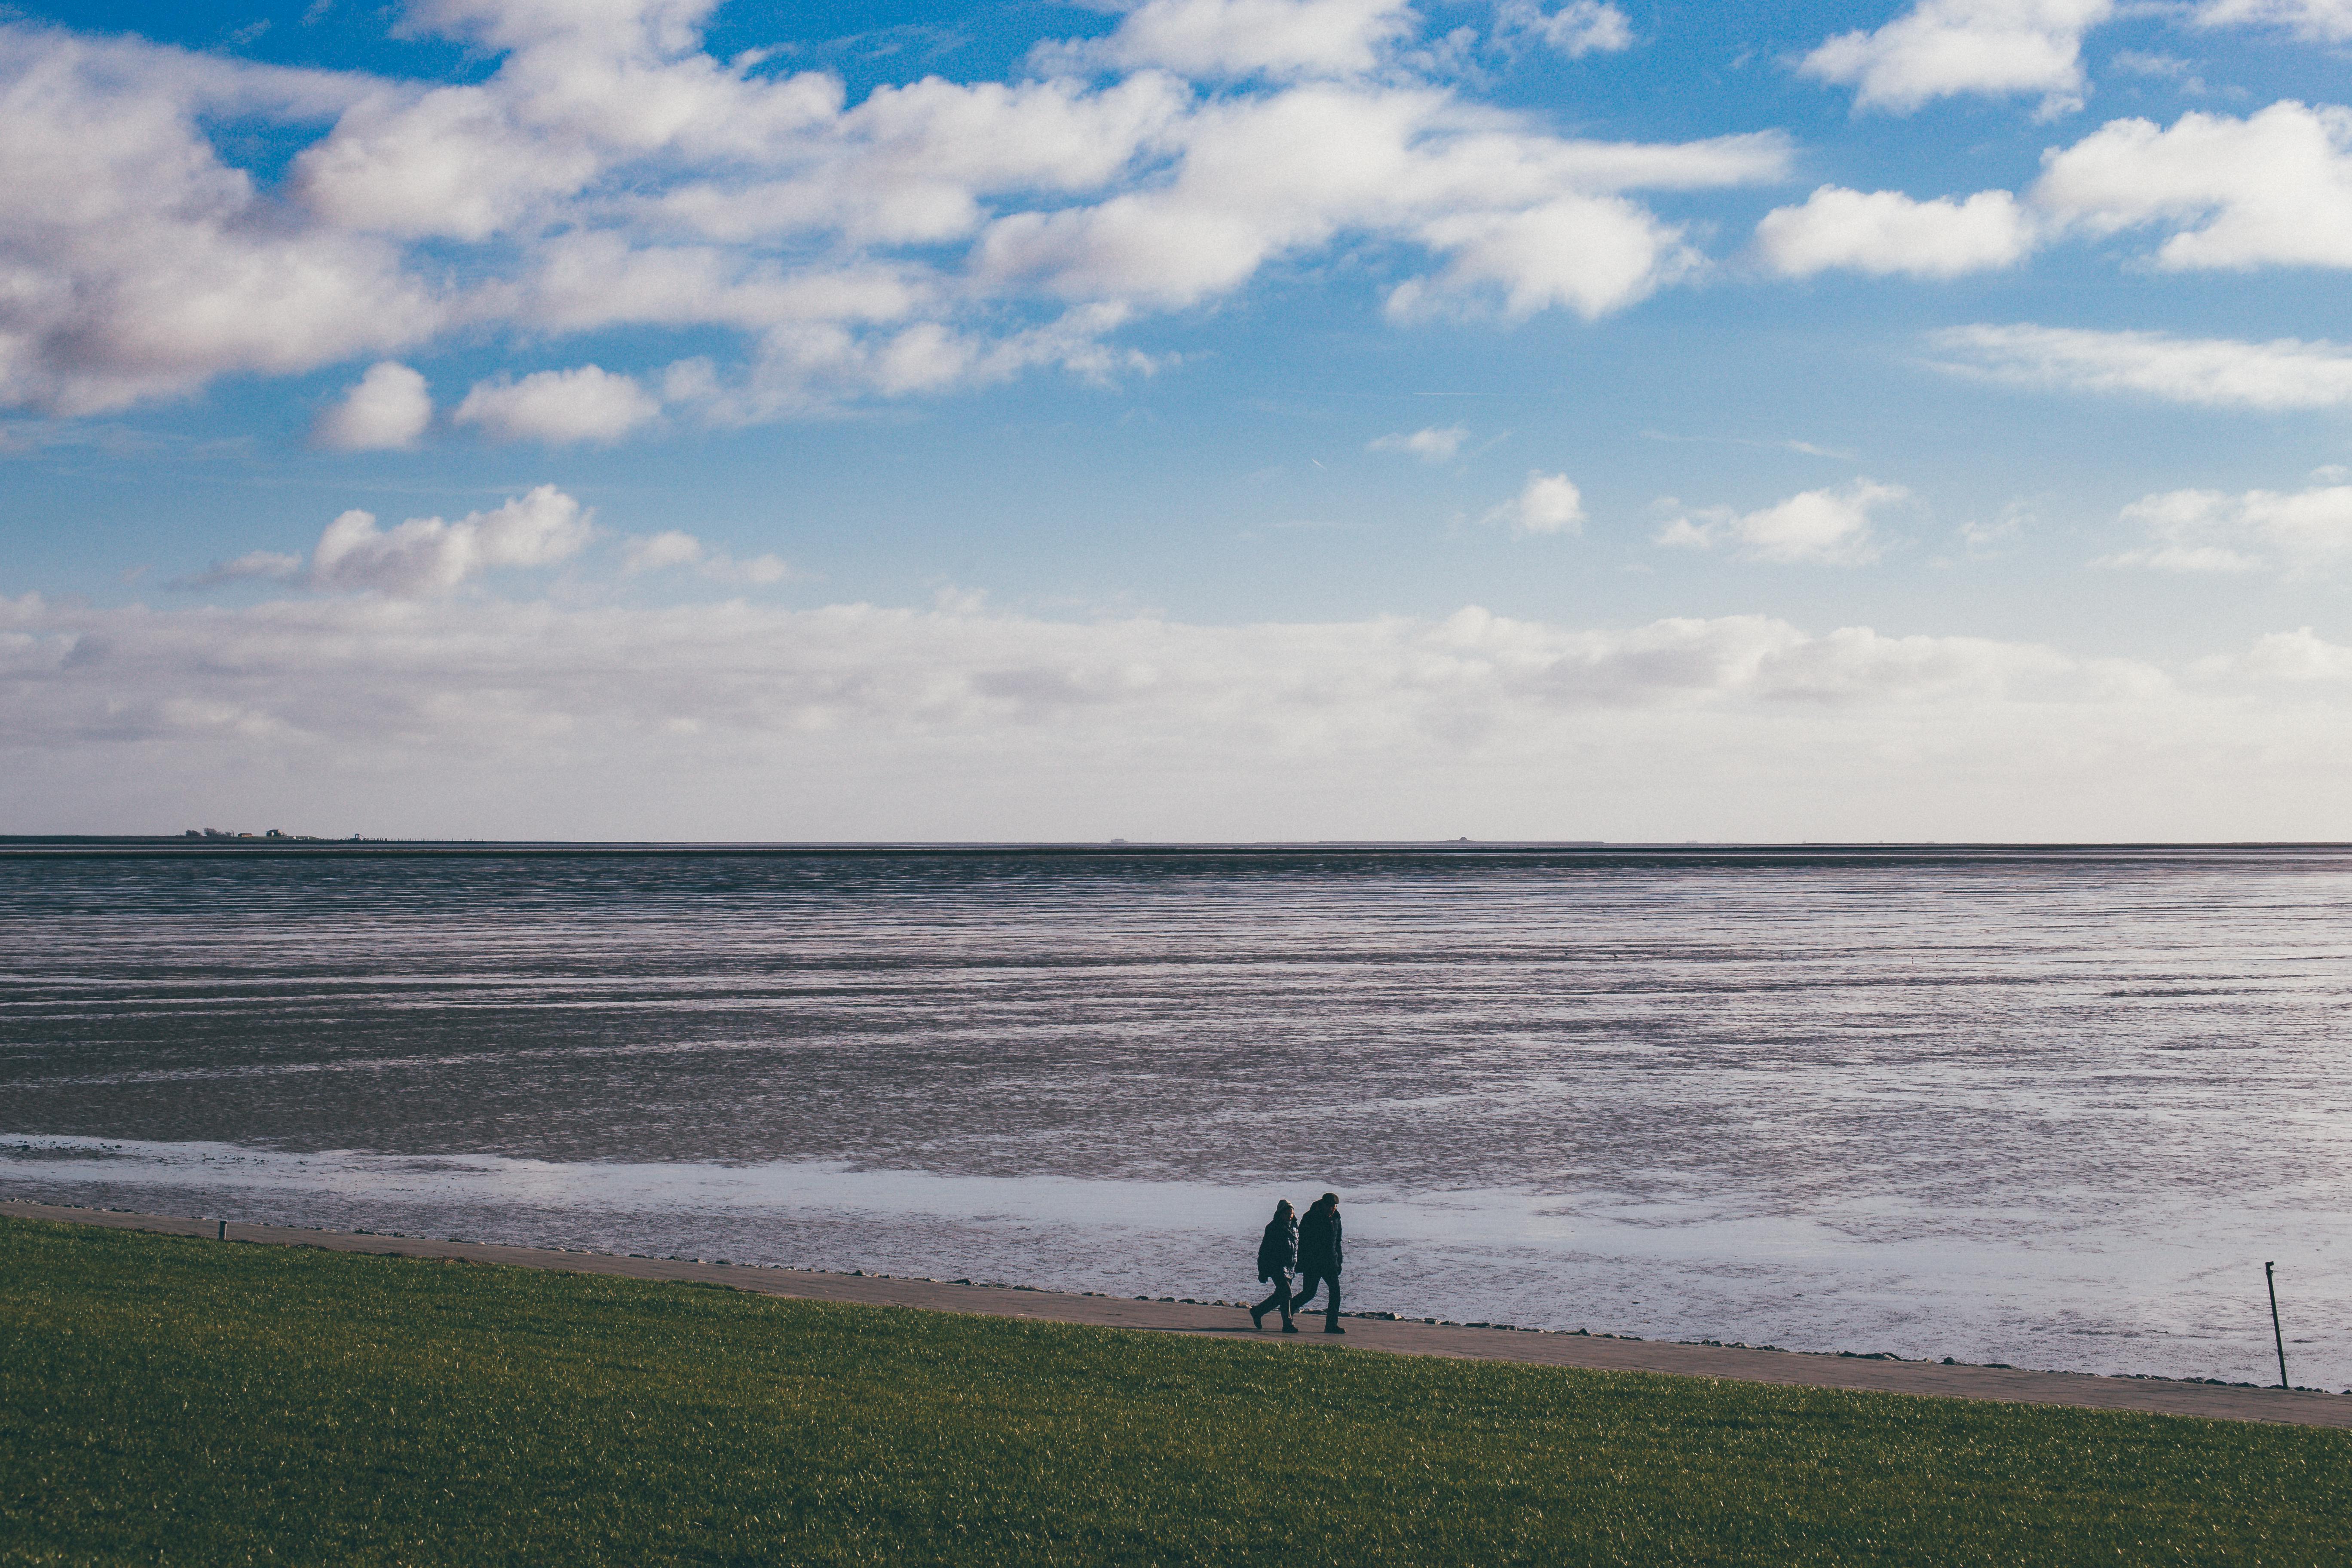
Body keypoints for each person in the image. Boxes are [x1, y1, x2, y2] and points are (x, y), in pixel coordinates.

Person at [1291, 1191, 1344, 1333]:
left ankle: (1331, 1325)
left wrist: (1339, 1261)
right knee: (1309, 1293)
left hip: (1330, 1263)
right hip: (1313, 1264)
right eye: (1330, 1206)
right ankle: (1288, 1310)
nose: (1332, 1209)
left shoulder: (1337, 1219)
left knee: (1336, 1293)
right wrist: (1301, 1262)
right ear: (1323, 1205)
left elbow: (1337, 1242)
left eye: (1334, 1207)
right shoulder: (1310, 1217)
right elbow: (1301, 1242)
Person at [1251, 1199, 1298, 1332]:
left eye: (1291, 1212)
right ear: (1280, 1213)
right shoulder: (1273, 1227)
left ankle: (1258, 1312)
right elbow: (1264, 1251)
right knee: (1287, 1293)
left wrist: (1299, 1264)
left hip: (1290, 1267)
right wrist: (1263, 1271)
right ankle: (1288, 1325)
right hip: (1277, 1266)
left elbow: (1297, 1247)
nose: (1290, 1215)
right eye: (1287, 1213)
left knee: (1280, 1296)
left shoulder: (1295, 1226)